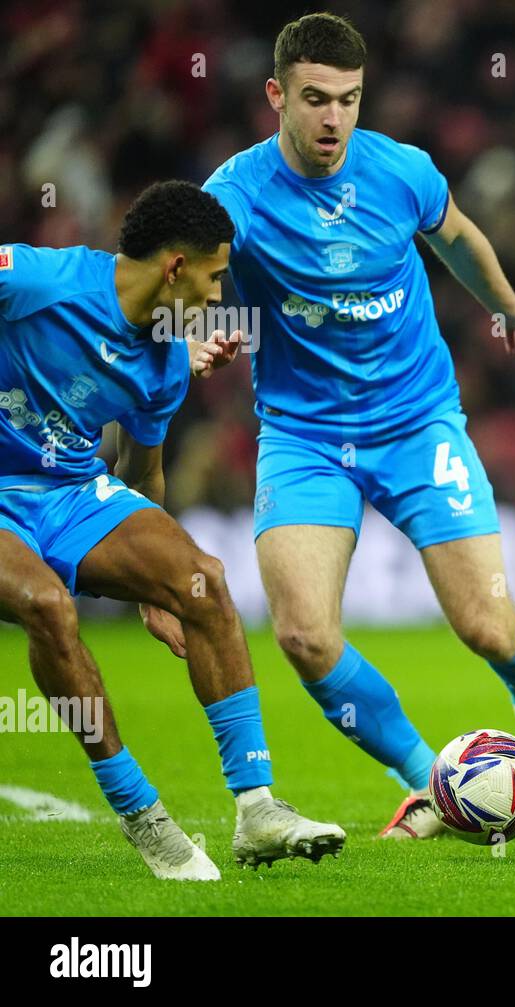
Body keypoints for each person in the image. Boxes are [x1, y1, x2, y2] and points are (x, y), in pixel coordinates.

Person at [196, 13, 515, 839]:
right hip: (305, 437)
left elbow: (455, 236)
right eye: (314, 100)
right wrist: (200, 330)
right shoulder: (232, 197)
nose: (333, 118)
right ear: (276, 96)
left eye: (347, 99)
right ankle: (429, 778)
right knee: (304, 635)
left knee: (488, 623)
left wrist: (510, 308)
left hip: (418, 422)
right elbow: (174, 289)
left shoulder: (401, 171)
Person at [0, 181, 344, 881]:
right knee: (47, 607)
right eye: (217, 277)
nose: (220, 296)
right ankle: (142, 815)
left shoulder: (163, 364)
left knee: (205, 581)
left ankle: (258, 808)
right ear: (176, 267)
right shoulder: (39, 280)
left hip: (68, 490)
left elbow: (140, 474)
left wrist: (157, 588)